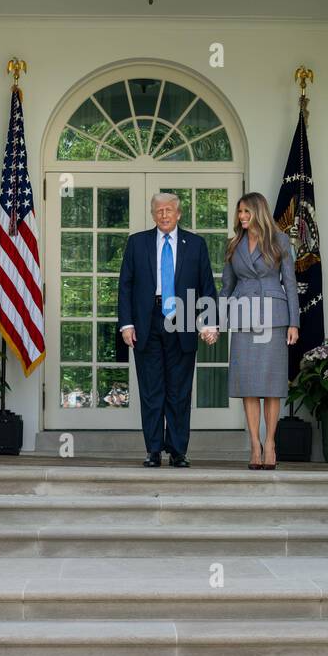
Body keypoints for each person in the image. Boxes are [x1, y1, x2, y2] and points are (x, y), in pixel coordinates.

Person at [118, 192, 218, 467]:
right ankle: (152, 450)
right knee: (151, 390)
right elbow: (125, 284)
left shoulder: (196, 244)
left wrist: (208, 322)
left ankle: (177, 451)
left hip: (183, 318)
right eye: (159, 210)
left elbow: (206, 286)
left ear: (179, 214)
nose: (164, 215)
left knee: (179, 391)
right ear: (153, 214)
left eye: (169, 210)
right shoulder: (137, 243)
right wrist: (126, 323)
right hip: (147, 320)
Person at [220, 192, 299, 470]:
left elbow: (290, 283)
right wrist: (218, 321)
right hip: (243, 318)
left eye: (246, 212)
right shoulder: (233, 245)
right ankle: (255, 445)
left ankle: (271, 443)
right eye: (239, 212)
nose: (241, 216)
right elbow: (226, 288)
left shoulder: (279, 241)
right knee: (249, 386)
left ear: (258, 212)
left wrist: (294, 322)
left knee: (272, 385)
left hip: (274, 317)